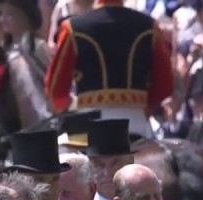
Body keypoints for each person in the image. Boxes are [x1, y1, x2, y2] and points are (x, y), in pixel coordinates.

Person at [44, 0, 174, 138]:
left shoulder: (73, 27)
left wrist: (68, 105)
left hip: (90, 123)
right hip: (136, 122)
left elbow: (55, 90)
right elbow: (165, 85)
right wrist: (144, 107)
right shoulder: (150, 27)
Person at [84, 117, 133, 200]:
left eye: (115, 163)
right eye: (99, 165)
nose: (107, 173)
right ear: (89, 167)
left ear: (130, 162)